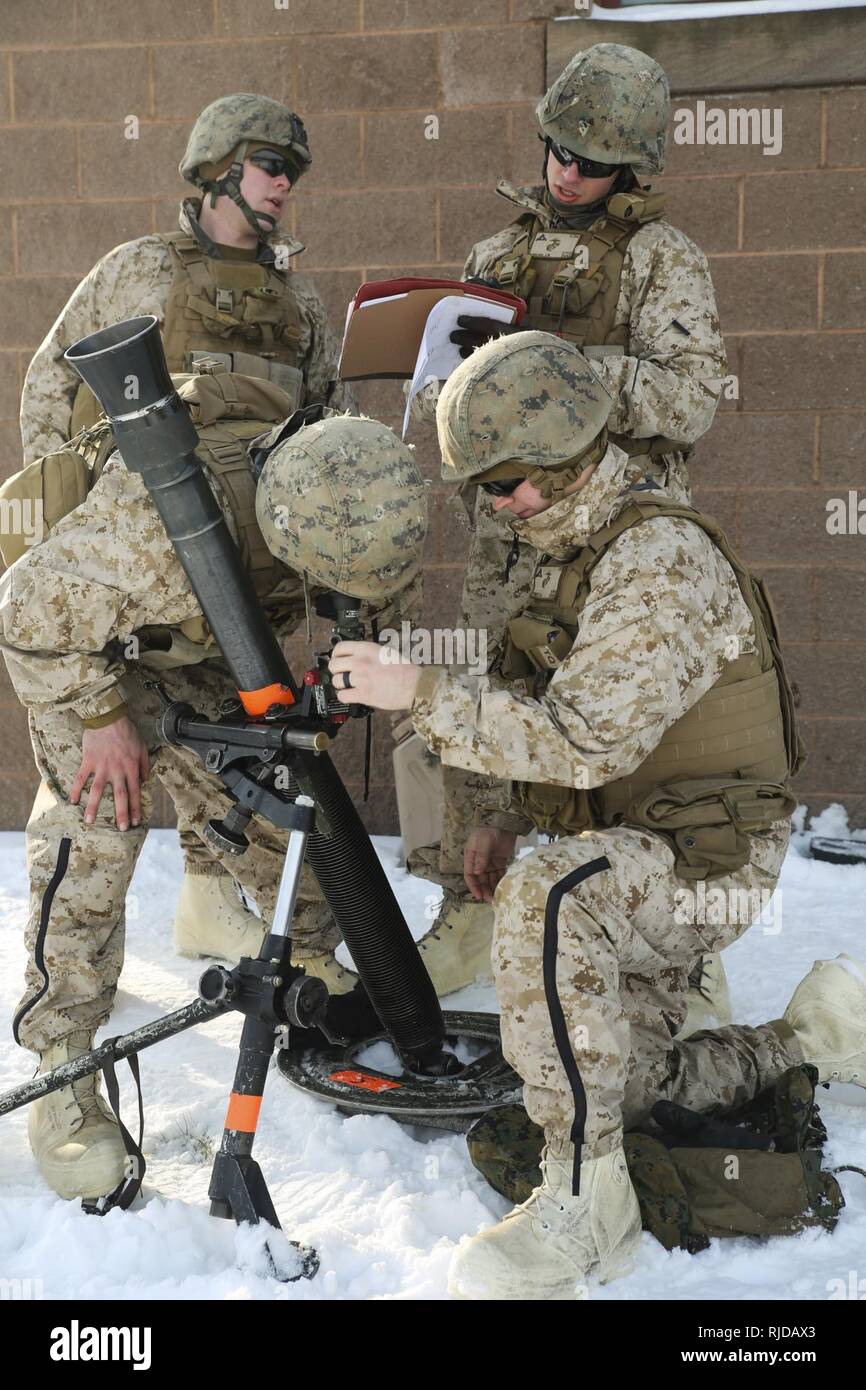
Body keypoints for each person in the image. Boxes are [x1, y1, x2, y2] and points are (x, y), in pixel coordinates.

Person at [329, 333, 866, 1300]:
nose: (495, 506)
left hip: (710, 864)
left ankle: (591, 1204)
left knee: (550, 892)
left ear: (565, 457)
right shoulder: (567, 549)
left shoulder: (658, 558)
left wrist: (417, 688)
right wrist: (497, 816)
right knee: (616, 1080)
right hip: (645, 843)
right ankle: (808, 1038)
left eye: (505, 484)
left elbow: (587, 741)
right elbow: (540, 717)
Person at [0, 402, 425, 1203]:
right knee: (99, 825)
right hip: (72, 646)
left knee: (274, 799)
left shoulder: (362, 485)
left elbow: (369, 593)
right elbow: (23, 613)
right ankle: (63, 1061)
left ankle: (306, 957)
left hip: (181, 634)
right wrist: (101, 718)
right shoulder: (148, 531)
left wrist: (353, 655)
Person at [403, 43, 731, 1029]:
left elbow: (687, 400)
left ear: (629, 167)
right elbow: (454, 389)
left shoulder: (661, 261)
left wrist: (567, 370)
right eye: (555, 149)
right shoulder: (496, 257)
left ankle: (676, 948)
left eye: (588, 162)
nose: (564, 174)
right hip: (505, 542)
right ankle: (469, 904)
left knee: (627, 740)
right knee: (481, 714)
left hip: (614, 544)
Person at [17, 92, 356, 975]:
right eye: (269, 165)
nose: (285, 185)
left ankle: (304, 974)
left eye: (295, 173)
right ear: (217, 168)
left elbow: (327, 435)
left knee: (294, 833)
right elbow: (51, 394)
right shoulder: (139, 270)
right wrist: (84, 536)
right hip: (105, 611)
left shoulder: (300, 302)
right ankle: (63, 1053)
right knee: (98, 829)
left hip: (223, 616)